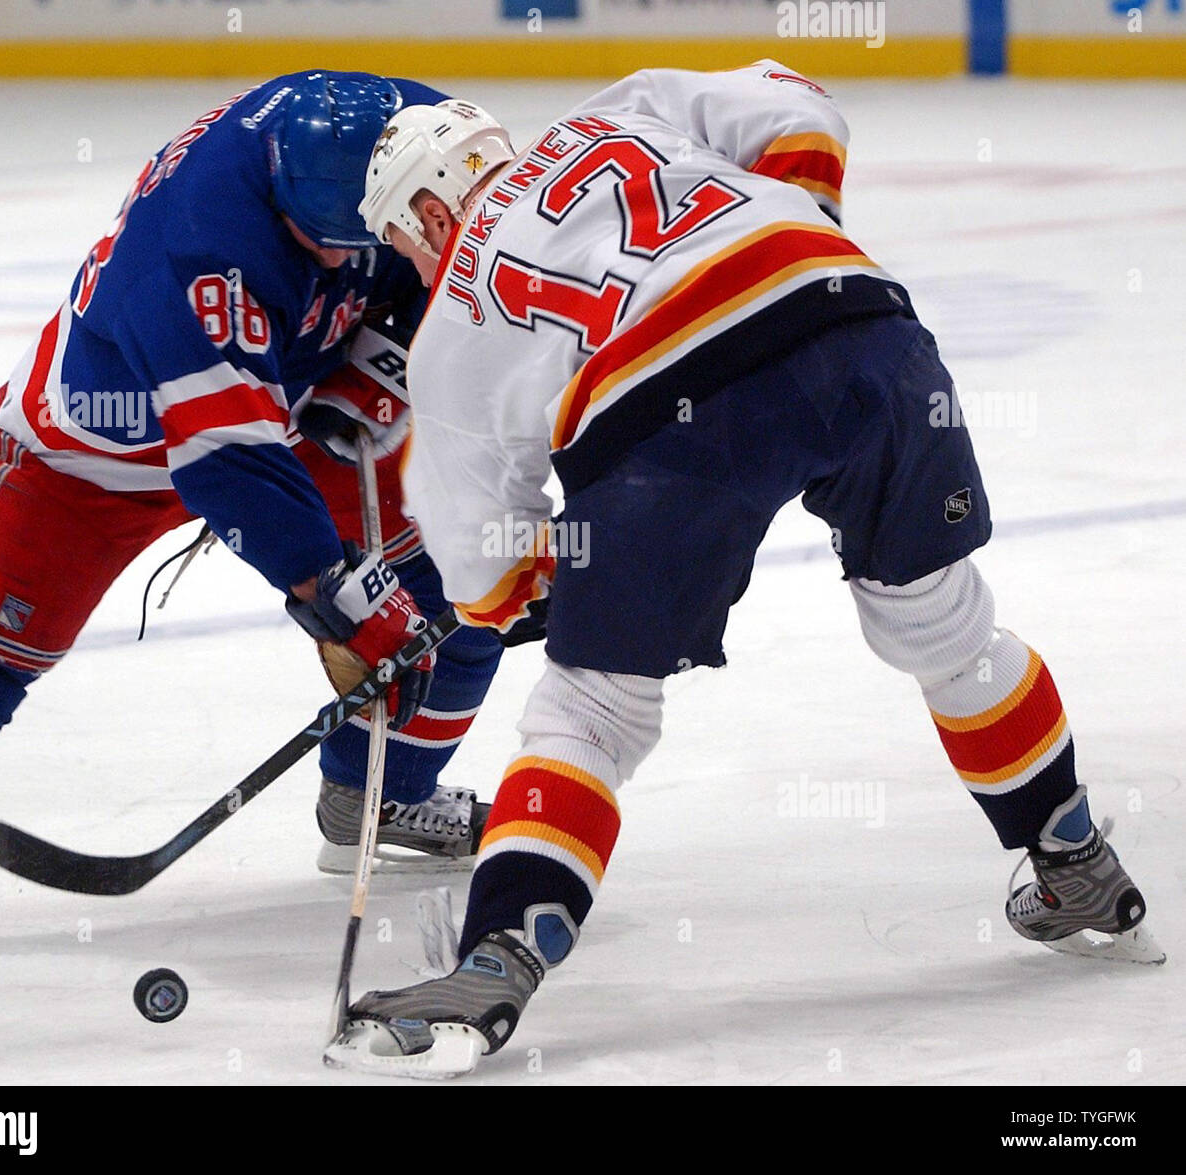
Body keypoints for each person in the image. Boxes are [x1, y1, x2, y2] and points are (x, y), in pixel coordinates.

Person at [327, 61, 1164, 1077]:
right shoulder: (615, 113)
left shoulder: (451, 325)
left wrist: (528, 588)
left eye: (403, 238)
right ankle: (1073, 860)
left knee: (588, 712)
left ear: (425, 206)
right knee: (941, 621)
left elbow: (475, 549)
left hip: (672, 424)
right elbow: (796, 99)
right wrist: (795, 243)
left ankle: (492, 963)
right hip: (866, 329)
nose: (410, 263)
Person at [0, 70, 502, 873]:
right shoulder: (198, 253)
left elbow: (464, 267)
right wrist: (340, 596)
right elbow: (233, 468)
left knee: (459, 591)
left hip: (292, 399)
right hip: (96, 455)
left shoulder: (405, 130)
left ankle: (376, 793)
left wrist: (377, 375)